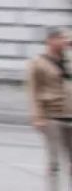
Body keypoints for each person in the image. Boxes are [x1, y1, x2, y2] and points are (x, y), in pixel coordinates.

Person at [28, 27, 72, 190]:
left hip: (70, 114)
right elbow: (33, 91)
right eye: (61, 38)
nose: (64, 41)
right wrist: (37, 117)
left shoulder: (68, 61)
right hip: (52, 117)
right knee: (54, 162)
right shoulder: (38, 63)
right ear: (50, 41)